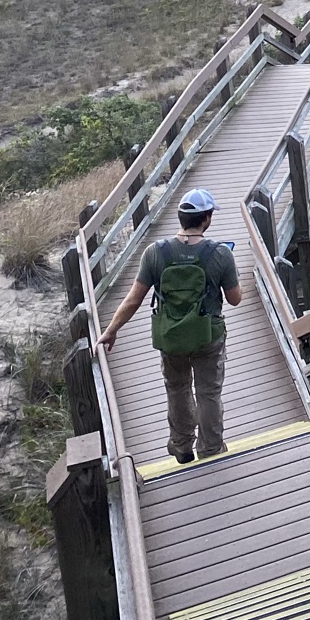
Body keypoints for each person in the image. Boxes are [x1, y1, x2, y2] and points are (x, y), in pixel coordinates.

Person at [98, 188, 242, 463]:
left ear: (180, 218)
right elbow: (235, 300)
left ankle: (181, 445)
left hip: (171, 336)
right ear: (207, 218)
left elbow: (133, 300)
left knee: (177, 389)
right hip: (208, 335)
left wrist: (111, 330)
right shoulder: (221, 254)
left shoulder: (156, 253)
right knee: (208, 392)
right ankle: (210, 448)